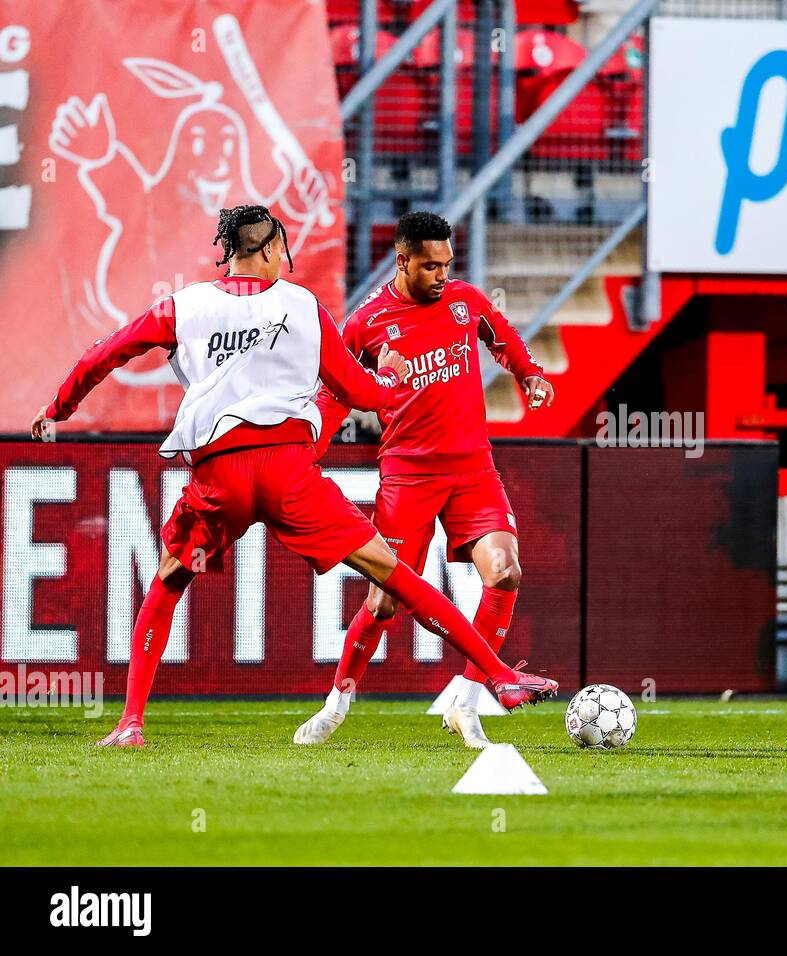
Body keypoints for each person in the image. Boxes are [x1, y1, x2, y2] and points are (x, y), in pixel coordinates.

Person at [30, 204, 557, 747]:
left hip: (221, 476)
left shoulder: (182, 307)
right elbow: (359, 393)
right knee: (394, 576)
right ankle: (499, 675)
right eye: (281, 247)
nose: (288, 256)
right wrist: (390, 381)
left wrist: (59, 408)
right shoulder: (304, 306)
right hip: (287, 472)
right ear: (262, 251)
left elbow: (108, 352)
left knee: (166, 585)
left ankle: (130, 724)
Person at [293, 211, 554, 749]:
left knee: (505, 573)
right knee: (384, 602)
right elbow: (336, 392)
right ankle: (337, 701)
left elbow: (503, 339)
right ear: (403, 259)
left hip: (472, 469)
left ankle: (466, 701)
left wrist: (529, 375)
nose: (441, 275)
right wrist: (307, 453)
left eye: (447, 264)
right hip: (407, 476)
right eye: (430, 266)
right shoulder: (365, 323)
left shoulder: (466, 302)